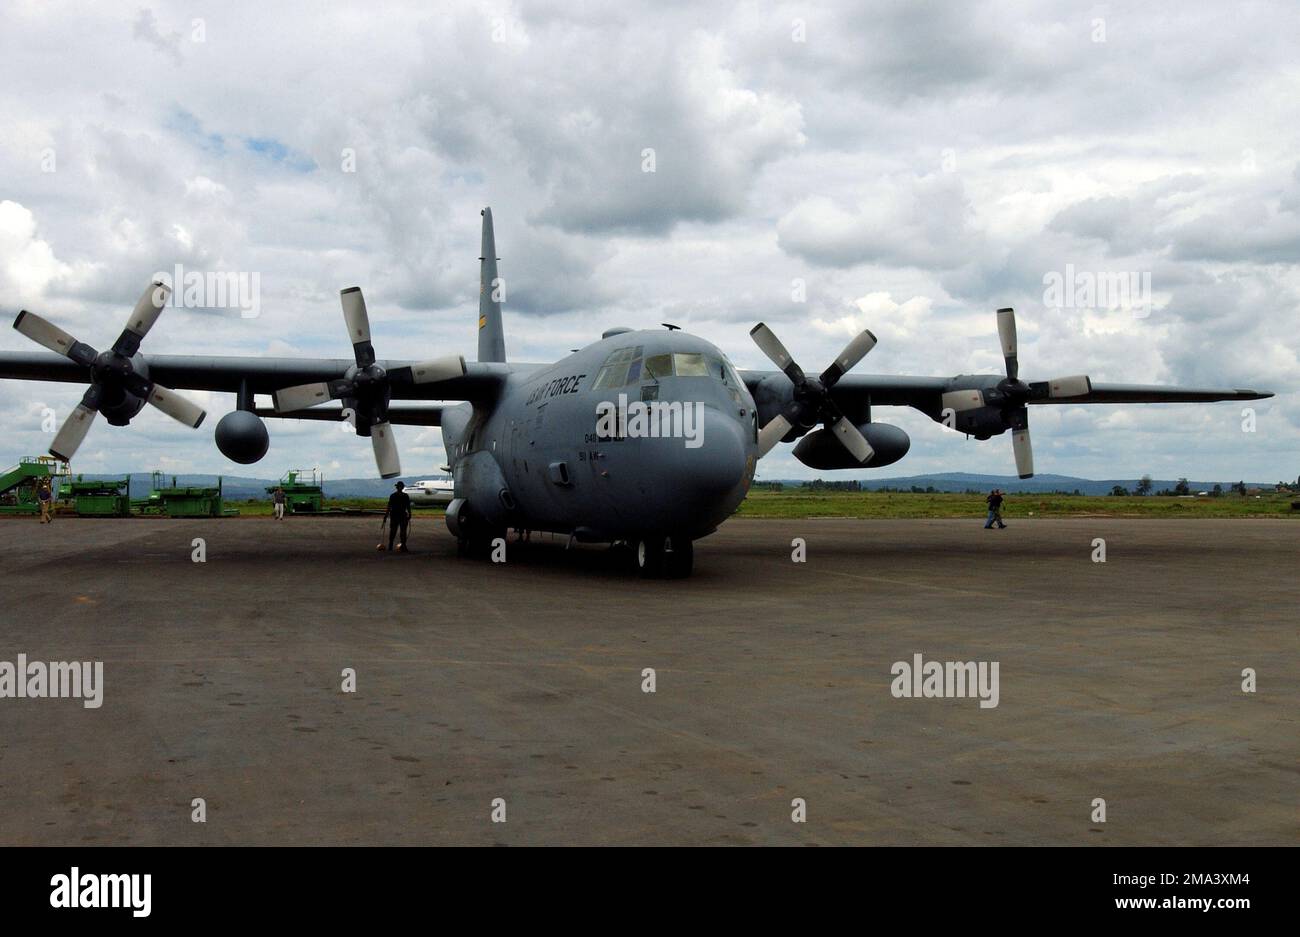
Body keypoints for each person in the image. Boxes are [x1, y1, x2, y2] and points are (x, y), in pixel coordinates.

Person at [383, 481, 411, 552]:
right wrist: (410, 514)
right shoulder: (405, 496)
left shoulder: (393, 495)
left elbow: (389, 507)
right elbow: (408, 506)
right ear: (402, 487)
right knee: (403, 531)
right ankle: (403, 546)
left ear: (396, 487)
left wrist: (385, 516)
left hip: (395, 515)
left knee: (393, 531)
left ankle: (391, 545)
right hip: (402, 515)